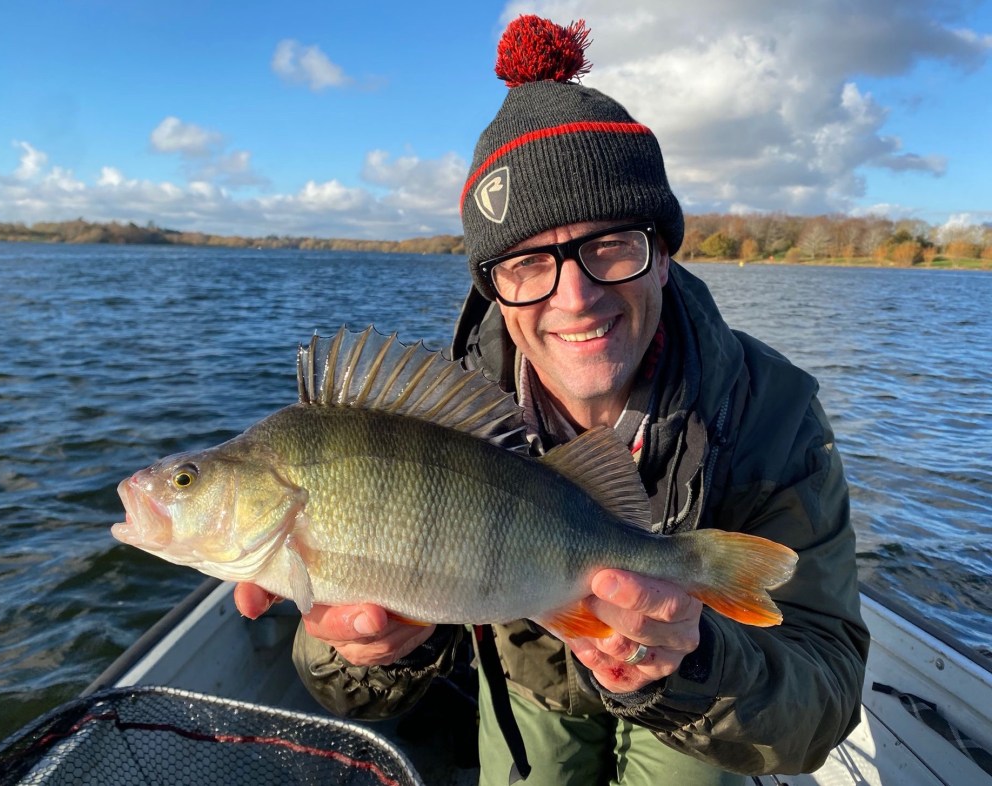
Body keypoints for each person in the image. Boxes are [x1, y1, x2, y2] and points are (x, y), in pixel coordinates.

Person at [235, 14, 869, 786]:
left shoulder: (774, 417)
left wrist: (692, 659)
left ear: (662, 256)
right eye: (529, 262)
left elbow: (824, 700)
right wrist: (362, 645)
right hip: (531, 682)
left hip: (693, 709)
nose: (574, 297)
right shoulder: (429, 415)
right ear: (494, 290)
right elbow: (348, 670)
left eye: (611, 245)